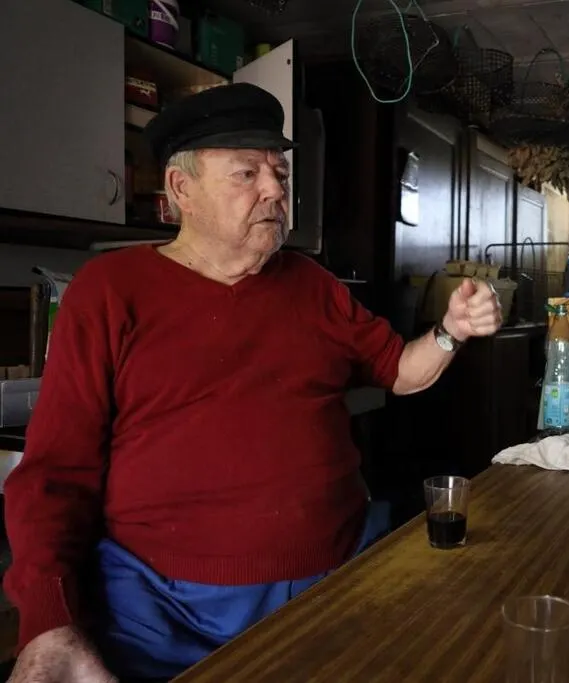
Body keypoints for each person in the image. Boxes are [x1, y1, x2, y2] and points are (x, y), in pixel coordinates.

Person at [3, 83, 503, 683]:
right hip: (162, 610)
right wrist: (48, 619)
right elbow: (54, 475)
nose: (275, 191)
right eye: (247, 172)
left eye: (280, 174)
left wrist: (450, 331)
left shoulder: (312, 285)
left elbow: (399, 370)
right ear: (181, 189)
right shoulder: (110, 291)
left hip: (337, 583)